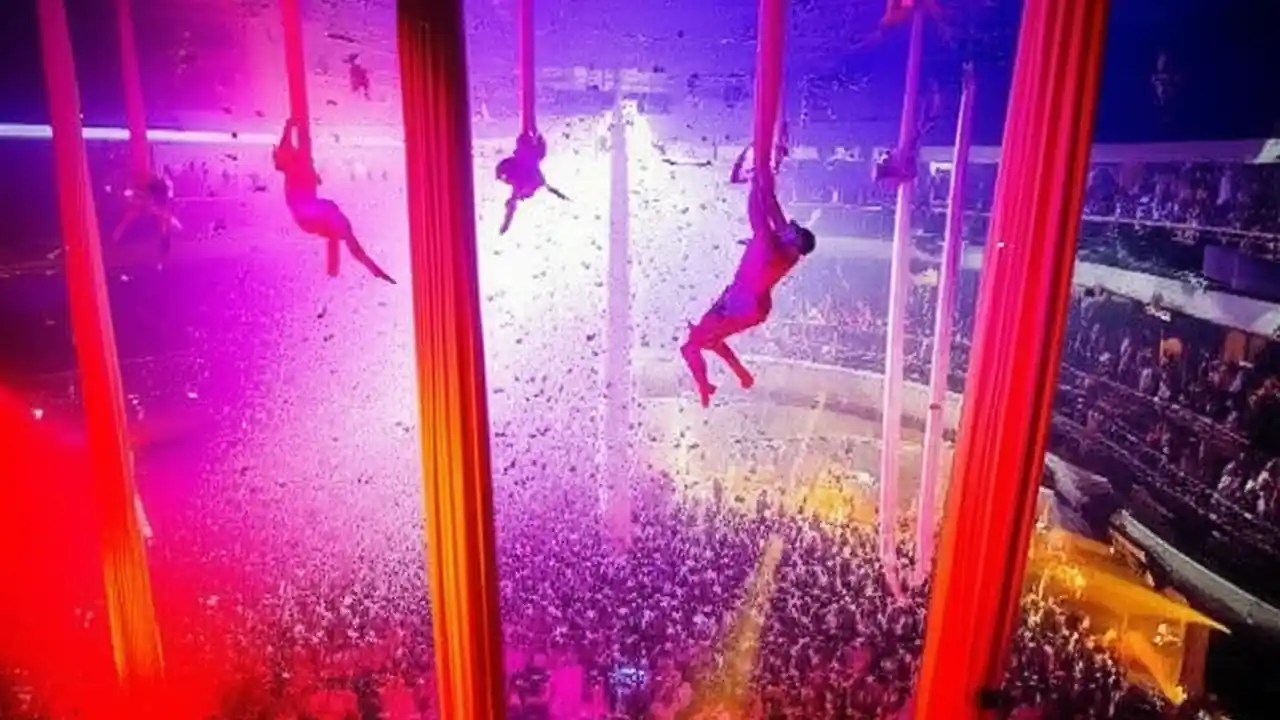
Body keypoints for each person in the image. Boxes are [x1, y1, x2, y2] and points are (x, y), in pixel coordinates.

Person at [681, 169, 815, 407]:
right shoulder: (788, 252)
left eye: (792, 231)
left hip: (740, 304)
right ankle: (742, 376)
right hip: (748, 303)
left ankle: (704, 387)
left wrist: (757, 181)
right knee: (710, 340)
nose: (787, 228)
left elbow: (758, 214)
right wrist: (766, 179)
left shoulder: (770, 245)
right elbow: (773, 209)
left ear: (795, 242)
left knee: (691, 346)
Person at [272, 118, 395, 283]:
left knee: (340, 227)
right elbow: (285, 150)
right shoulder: (294, 168)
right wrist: (288, 128)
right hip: (307, 213)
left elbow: (287, 150)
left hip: (309, 214)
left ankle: (357, 266)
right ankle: (358, 265)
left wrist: (289, 128)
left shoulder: (297, 167)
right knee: (339, 224)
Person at [496, 130, 568, 234]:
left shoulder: (525, 164)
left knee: (514, 201)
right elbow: (541, 150)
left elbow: (503, 168)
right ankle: (504, 228)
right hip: (529, 178)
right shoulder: (531, 161)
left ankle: (504, 228)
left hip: (528, 179)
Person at [111, 171, 181, 266]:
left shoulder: (161, 214)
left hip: (150, 210)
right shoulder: (133, 212)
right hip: (142, 210)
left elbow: (176, 228)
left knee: (163, 226)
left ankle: (162, 257)